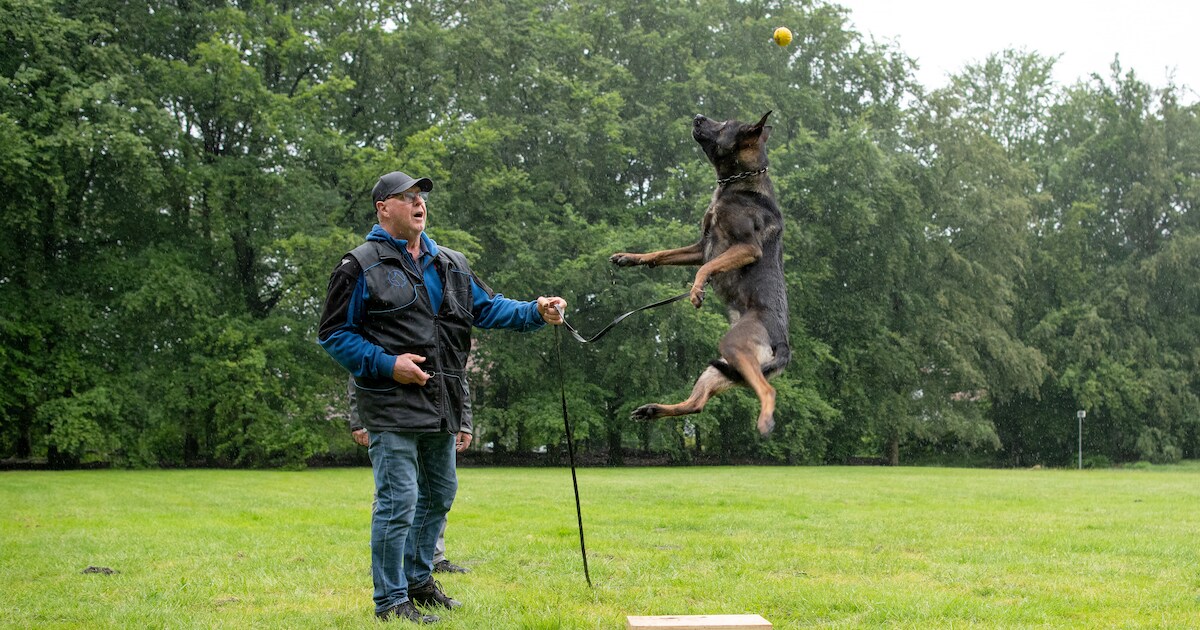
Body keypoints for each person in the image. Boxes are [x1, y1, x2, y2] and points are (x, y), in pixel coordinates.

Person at [319, 170, 565, 624]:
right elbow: (333, 334)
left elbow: (487, 308)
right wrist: (389, 364)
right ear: (383, 209)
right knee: (399, 501)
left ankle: (419, 581)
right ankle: (391, 601)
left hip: (443, 401)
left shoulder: (451, 262)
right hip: (390, 404)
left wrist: (535, 310)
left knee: (440, 494)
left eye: (421, 197)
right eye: (407, 196)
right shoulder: (359, 264)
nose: (419, 203)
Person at [348, 377, 472, 575]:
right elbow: (359, 371)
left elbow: (457, 376)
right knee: (394, 495)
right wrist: (358, 421)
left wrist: (463, 421)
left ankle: (433, 557)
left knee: (436, 493)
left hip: (438, 419)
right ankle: (385, 564)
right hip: (393, 416)